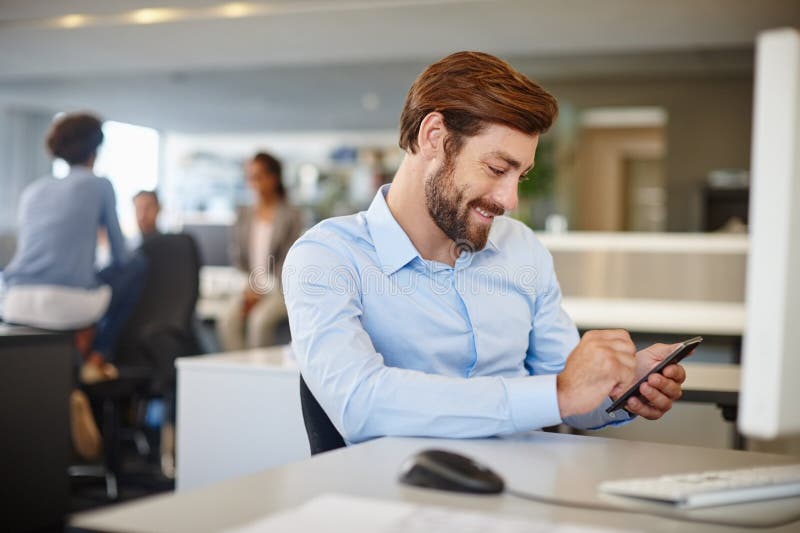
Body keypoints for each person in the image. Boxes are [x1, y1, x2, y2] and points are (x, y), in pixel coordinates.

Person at [282, 52, 686, 445]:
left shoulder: (521, 249)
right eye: (496, 169)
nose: (510, 200)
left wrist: (618, 386)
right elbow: (359, 404)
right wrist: (558, 393)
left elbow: (571, 398)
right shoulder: (327, 257)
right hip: (403, 482)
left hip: (525, 482)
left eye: (519, 177)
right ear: (434, 136)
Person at [2, 112, 148, 383]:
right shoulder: (99, 185)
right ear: (95, 150)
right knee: (136, 265)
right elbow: (121, 257)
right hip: (65, 304)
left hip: (15, 300)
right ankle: (97, 357)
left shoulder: (33, 190)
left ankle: (85, 342)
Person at [216, 152, 303, 350]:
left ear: (273, 178)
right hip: (250, 287)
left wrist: (261, 289)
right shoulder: (244, 214)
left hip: (279, 288)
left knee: (259, 322)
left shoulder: (290, 215)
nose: (253, 183)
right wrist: (250, 289)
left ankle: (257, 369)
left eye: (258, 176)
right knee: (227, 321)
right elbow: (238, 258)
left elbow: (289, 261)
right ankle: (238, 368)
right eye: (250, 177)